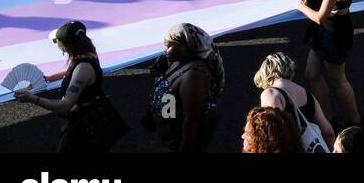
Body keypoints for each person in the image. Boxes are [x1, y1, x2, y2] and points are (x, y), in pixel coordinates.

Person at [13, 20, 128, 153]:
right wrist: (50, 78)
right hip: (93, 112)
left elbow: (65, 105)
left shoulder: (82, 70)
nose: (56, 44)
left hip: (82, 124)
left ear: (66, 46)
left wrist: (33, 99)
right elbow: (72, 72)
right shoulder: (88, 52)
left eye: (57, 42)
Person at [297, 0, 362, 127]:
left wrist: (301, 6)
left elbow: (319, 17)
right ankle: (328, 120)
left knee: (339, 81)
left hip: (333, 34)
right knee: (311, 74)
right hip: (327, 31)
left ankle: (356, 122)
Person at [149, 23, 225, 152]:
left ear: (186, 46)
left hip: (179, 141)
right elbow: (169, 96)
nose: (166, 50)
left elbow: (191, 119)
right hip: (169, 136)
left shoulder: (194, 75)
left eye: (170, 46)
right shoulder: (174, 61)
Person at [254, 52, 335, 150]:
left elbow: (272, 134)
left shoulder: (271, 94)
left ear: (266, 74)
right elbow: (328, 132)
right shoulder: (308, 95)